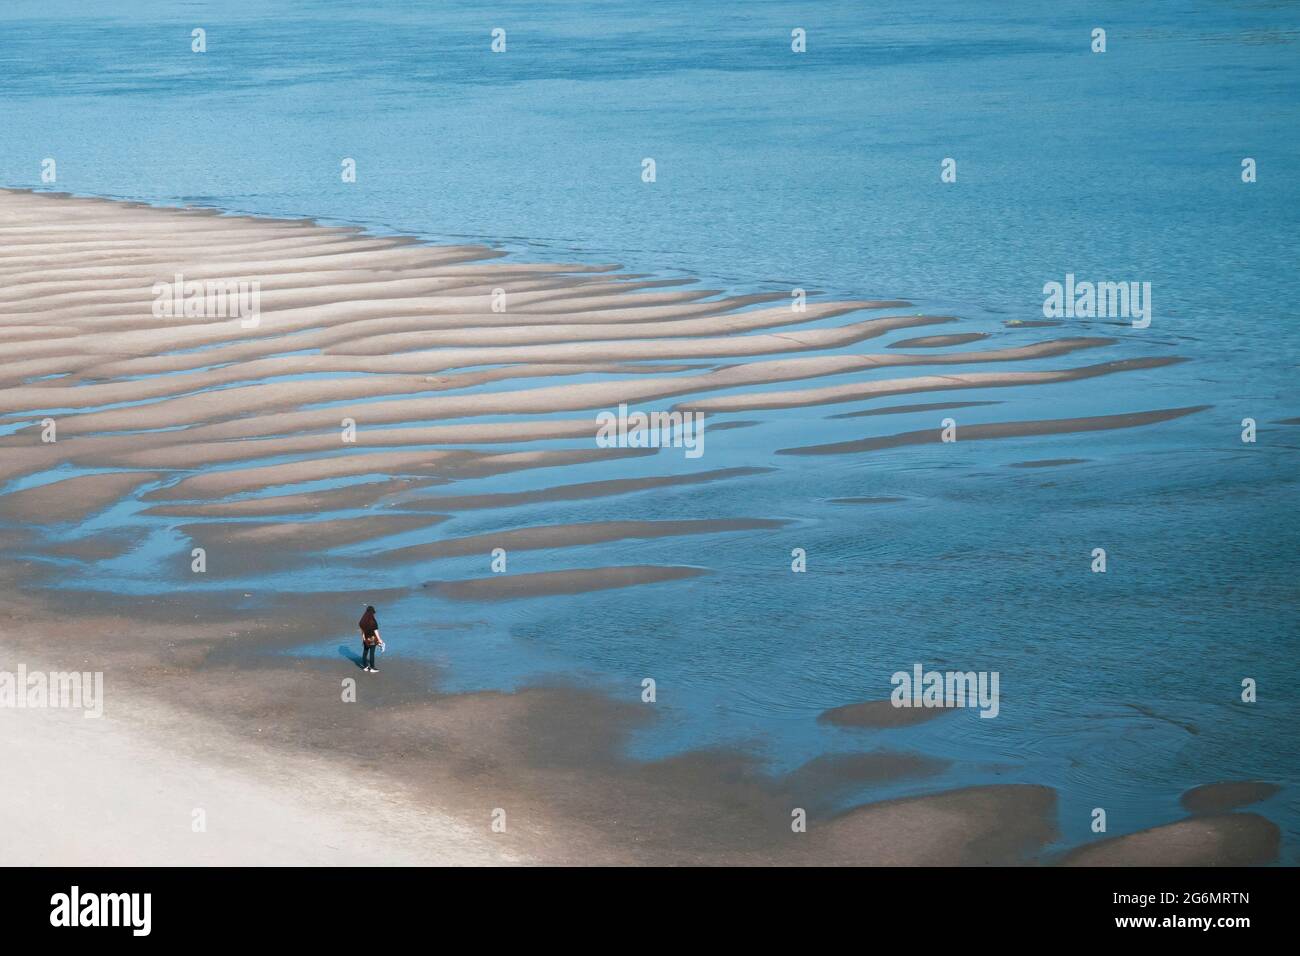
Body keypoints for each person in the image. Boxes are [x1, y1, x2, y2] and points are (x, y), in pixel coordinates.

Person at [358, 605, 384, 673]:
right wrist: (379, 639)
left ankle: (365, 667)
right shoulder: (373, 621)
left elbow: (362, 631)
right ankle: (372, 668)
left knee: (365, 652)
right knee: (372, 653)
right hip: (372, 639)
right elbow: (376, 631)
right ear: (372, 613)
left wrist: (363, 639)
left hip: (365, 639)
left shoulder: (362, 621)